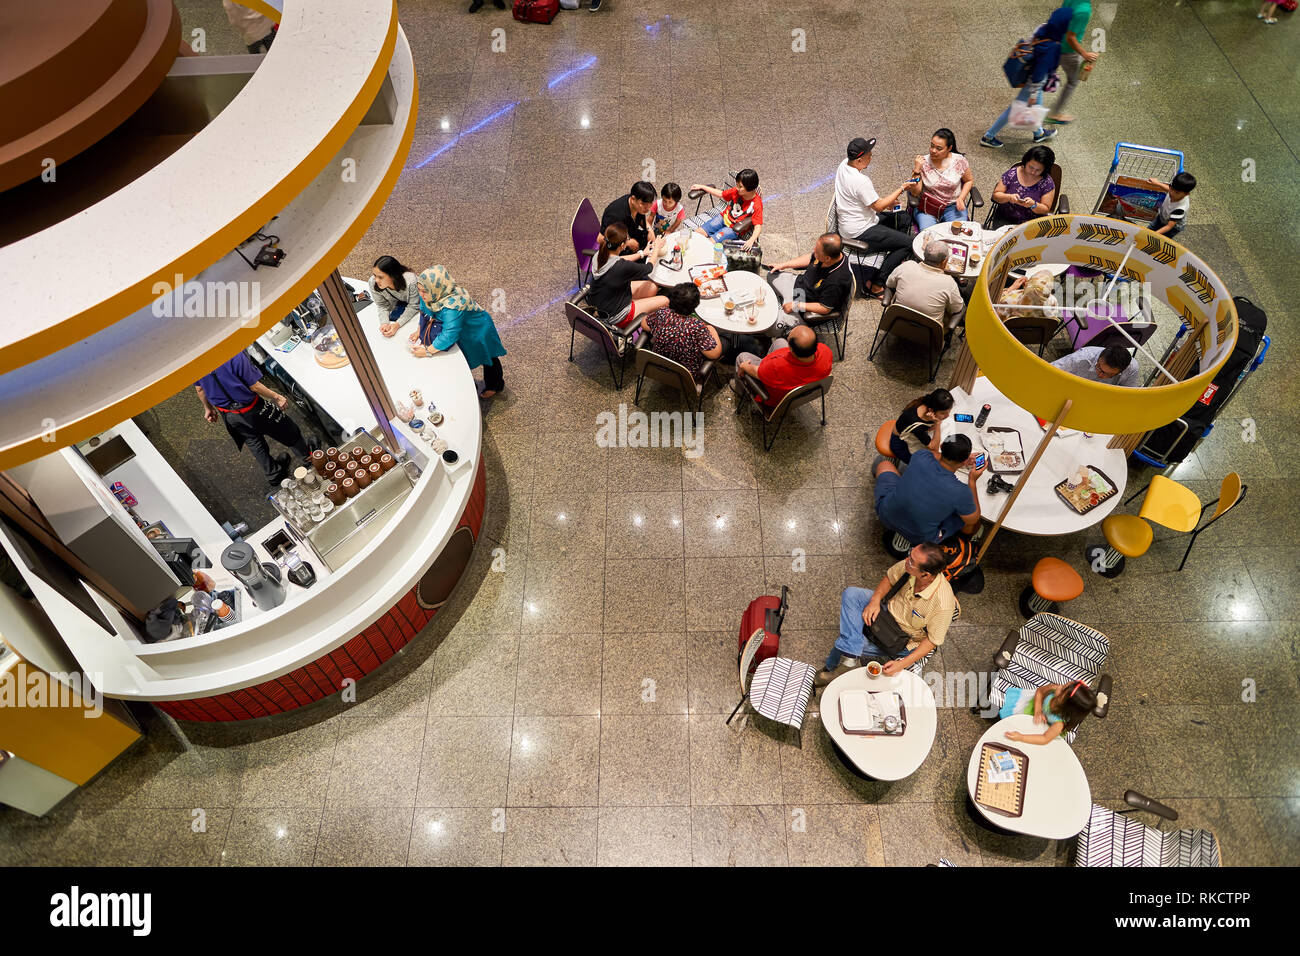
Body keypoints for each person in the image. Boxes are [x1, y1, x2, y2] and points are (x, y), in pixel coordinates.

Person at [815, 544, 957, 686]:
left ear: (926, 575)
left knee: (846, 641)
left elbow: (932, 641)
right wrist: (875, 601)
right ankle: (851, 656)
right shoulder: (910, 565)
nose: (907, 560)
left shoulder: (943, 604)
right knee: (852, 594)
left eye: (912, 561)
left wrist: (901, 664)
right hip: (887, 608)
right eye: (910, 554)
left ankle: (832, 667)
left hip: (900, 637)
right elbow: (889, 578)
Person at [195, 352, 311, 486]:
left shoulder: (196, 363)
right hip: (253, 408)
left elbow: (200, 389)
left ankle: (273, 474)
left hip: (229, 415)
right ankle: (308, 458)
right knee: (287, 429)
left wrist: (208, 408)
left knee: (253, 441)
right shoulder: (233, 355)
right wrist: (276, 396)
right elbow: (254, 385)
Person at [980, 7, 1073, 149]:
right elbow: (1039, 72)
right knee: (1016, 108)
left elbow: (1031, 43)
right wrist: (1034, 94)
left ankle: (1039, 133)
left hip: (1032, 74)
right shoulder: (1052, 46)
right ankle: (988, 136)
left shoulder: (1043, 27)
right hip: (1035, 81)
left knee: (1036, 108)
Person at [832, 137, 914, 297]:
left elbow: (872, 202)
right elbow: (878, 206)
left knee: (904, 218)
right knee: (909, 244)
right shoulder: (860, 181)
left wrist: (885, 204)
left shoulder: (844, 165)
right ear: (860, 160)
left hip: (859, 218)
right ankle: (876, 284)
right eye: (870, 154)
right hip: (859, 232)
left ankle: (895, 261)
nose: (872, 157)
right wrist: (902, 188)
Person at [410, 266, 508, 398]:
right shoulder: (432, 292)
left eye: (424, 291)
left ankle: (495, 385)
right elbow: (424, 311)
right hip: (461, 331)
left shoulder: (453, 305)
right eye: (419, 289)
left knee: (488, 357)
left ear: (435, 288)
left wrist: (428, 351)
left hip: (477, 331)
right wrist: (418, 330)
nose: (421, 294)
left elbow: (449, 334)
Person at [874, 434, 984, 546]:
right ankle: (962, 540)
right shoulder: (961, 492)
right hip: (920, 538)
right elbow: (973, 519)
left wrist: (957, 456)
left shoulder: (921, 455)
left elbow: (933, 453)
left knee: (884, 464)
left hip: (886, 513)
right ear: (964, 461)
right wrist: (972, 480)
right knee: (969, 521)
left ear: (941, 446)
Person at [764, 233, 853, 335]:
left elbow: (825, 308)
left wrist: (796, 305)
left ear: (828, 258)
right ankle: (784, 301)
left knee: (771, 326)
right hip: (800, 285)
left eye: (817, 251)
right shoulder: (830, 255)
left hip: (806, 302)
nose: (814, 251)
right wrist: (783, 265)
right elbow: (810, 258)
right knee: (771, 274)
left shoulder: (836, 282)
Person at [586, 223, 670, 330]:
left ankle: (641, 307)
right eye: (627, 239)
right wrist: (657, 247)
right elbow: (648, 268)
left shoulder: (600, 254)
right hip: (617, 317)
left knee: (652, 287)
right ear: (622, 245)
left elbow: (619, 260)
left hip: (604, 303)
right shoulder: (622, 267)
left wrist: (642, 254)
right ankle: (647, 324)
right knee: (665, 300)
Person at [733, 325, 832, 408]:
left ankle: (742, 393)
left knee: (742, 357)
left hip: (776, 398)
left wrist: (743, 366)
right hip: (799, 386)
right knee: (780, 342)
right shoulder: (826, 351)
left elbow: (755, 371)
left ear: (792, 350)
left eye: (788, 338)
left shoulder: (776, 367)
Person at [639, 283, 722, 379]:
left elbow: (644, 324)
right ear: (696, 304)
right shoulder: (696, 327)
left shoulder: (662, 313)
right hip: (684, 376)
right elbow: (714, 354)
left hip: (658, 366)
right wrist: (712, 329)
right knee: (723, 341)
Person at [885, 242, 965, 329]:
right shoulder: (949, 282)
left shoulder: (907, 266)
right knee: (958, 307)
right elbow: (957, 309)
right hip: (929, 334)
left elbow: (889, 284)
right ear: (944, 261)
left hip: (896, 323)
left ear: (924, 255)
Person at [906, 129, 974, 231]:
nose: (933, 150)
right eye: (932, 146)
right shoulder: (923, 162)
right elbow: (916, 193)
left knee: (957, 235)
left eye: (939, 148)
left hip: (953, 206)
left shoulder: (959, 161)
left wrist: (961, 198)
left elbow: (969, 181)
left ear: (949, 148)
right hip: (928, 207)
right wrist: (916, 170)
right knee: (928, 235)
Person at [1046, 1, 1099, 125]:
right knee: (1073, 82)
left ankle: (1031, 95)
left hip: (1055, 40)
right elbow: (1071, 37)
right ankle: (1055, 113)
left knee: (1043, 73)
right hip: (1067, 51)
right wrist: (1085, 54)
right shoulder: (1084, 10)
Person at [999, 680, 1099, 744]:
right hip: (1034, 708)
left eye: (1062, 691)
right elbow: (1039, 692)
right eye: (1064, 685)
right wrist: (1038, 710)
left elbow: (1044, 738)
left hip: (1043, 728)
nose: (1059, 686)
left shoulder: (1059, 724)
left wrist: (1021, 737)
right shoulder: (1055, 689)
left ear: (1066, 706)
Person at [691, 169, 763, 249]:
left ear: (750, 188)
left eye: (740, 186)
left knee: (710, 243)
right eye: (737, 185)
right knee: (697, 233)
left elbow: (758, 226)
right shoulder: (736, 191)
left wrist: (751, 240)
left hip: (733, 228)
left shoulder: (756, 204)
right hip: (723, 218)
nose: (737, 188)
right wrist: (702, 187)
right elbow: (721, 194)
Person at [988, 146, 1058, 228]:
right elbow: (996, 195)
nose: (1033, 172)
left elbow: (1045, 208)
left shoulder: (1047, 182)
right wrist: (1009, 197)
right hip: (1006, 217)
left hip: (1032, 222)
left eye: (1038, 170)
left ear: (1045, 169)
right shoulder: (1013, 173)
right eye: (1031, 167)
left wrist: (1033, 205)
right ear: (1026, 161)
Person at [888, 389, 955, 463]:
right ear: (931, 410)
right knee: (925, 462)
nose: (947, 415)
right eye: (943, 413)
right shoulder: (916, 425)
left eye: (949, 411)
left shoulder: (927, 403)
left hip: (911, 431)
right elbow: (934, 448)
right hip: (900, 444)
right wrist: (937, 424)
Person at [368, 255, 422, 337]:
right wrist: (384, 323)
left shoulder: (410, 281)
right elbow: (382, 305)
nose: (376, 280)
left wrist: (397, 325)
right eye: (375, 275)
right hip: (400, 305)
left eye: (380, 277)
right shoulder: (372, 282)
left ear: (393, 275)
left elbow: (414, 306)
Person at [601, 181, 656, 253]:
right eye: (643, 204)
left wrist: (649, 230)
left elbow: (642, 219)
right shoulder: (615, 215)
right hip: (617, 246)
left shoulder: (639, 206)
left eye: (650, 204)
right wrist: (627, 243)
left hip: (630, 233)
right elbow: (601, 238)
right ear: (633, 199)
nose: (647, 209)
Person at [1051, 345, 1139, 388]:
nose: (1101, 376)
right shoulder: (1081, 358)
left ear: (1121, 371)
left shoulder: (1131, 369)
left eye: (1110, 375)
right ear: (1099, 358)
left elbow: (1128, 394)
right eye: (1099, 368)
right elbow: (1051, 371)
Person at [1144, 172, 1196, 239]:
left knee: (1162, 238)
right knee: (1149, 230)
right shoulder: (1175, 191)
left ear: (1186, 194)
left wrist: (1154, 234)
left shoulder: (1180, 209)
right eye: (1171, 189)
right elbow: (1168, 188)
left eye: (1177, 192)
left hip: (1173, 227)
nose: (1171, 193)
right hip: (1162, 217)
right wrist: (1157, 183)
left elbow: (1169, 226)